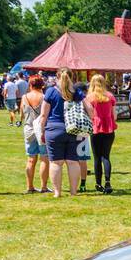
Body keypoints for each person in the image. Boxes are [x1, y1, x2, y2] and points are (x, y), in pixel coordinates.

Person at [39, 67, 82, 197]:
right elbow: (89, 109)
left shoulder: (51, 91)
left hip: (53, 129)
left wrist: (42, 132)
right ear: (72, 77)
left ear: (57, 76)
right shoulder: (76, 92)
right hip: (73, 129)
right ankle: (74, 192)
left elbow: (43, 115)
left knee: (56, 162)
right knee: (73, 162)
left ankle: (57, 192)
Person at [86, 73, 117, 194]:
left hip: (95, 129)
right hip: (109, 129)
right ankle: (108, 182)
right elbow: (115, 115)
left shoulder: (90, 97)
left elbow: (90, 115)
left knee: (97, 157)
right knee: (106, 156)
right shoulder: (110, 96)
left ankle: (98, 183)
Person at [21, 74, 49, 194]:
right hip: (42, 129)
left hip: (28, 128)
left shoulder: (24, 97)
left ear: (30, 84)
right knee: (44, 158)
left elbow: (22, 113)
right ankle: (43, 187)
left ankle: (30, 187)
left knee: (31, 159)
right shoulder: (44, 97)